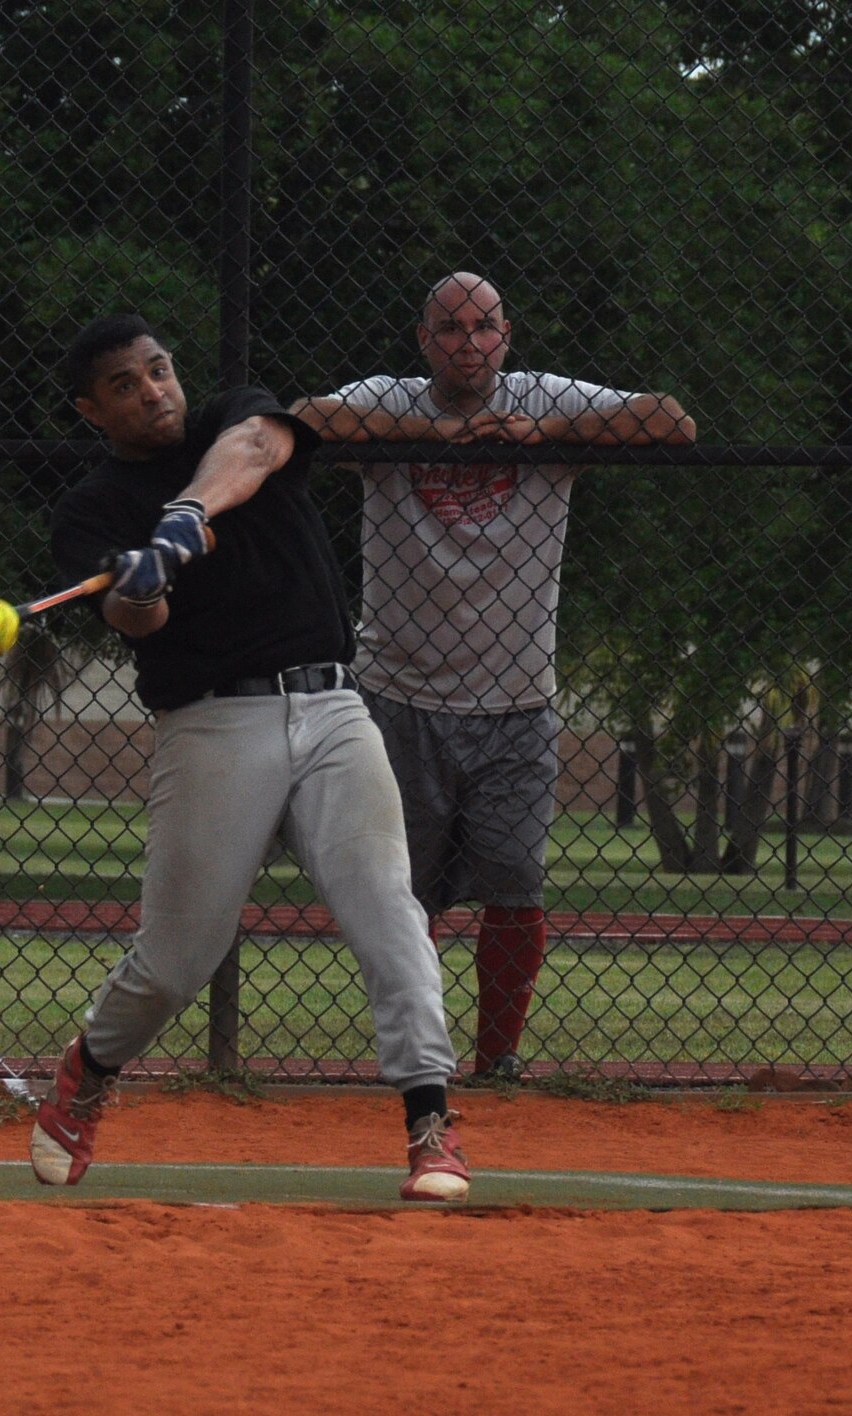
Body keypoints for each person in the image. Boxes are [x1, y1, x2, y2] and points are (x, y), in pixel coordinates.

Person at [32, 312, 470, 1203]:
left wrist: (186, 517)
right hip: (212, 725)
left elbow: (259, 445)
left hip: (334, 706)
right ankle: (90, 1070)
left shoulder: (230, 418)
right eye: (126, 384)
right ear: (91, 411)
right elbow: (133, 622)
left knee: (389, 907)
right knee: (177, 959)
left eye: (159, 370)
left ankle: (431, 1124)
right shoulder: (89, 513)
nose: (153, 391)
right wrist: (141, 583)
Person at [290, 272, 696, 1080]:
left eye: (483, 329)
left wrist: (548, 438)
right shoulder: (396, 401)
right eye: (449, 329)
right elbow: (301, 421)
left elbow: (672, 422)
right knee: (405, 895)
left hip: (517, 697)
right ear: (423, 340)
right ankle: (421, 1056)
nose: (467, 345)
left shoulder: (542, 397)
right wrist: (428, 443)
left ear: (507, 335)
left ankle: (497, 1059)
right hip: (399, 695)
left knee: (516, 883)